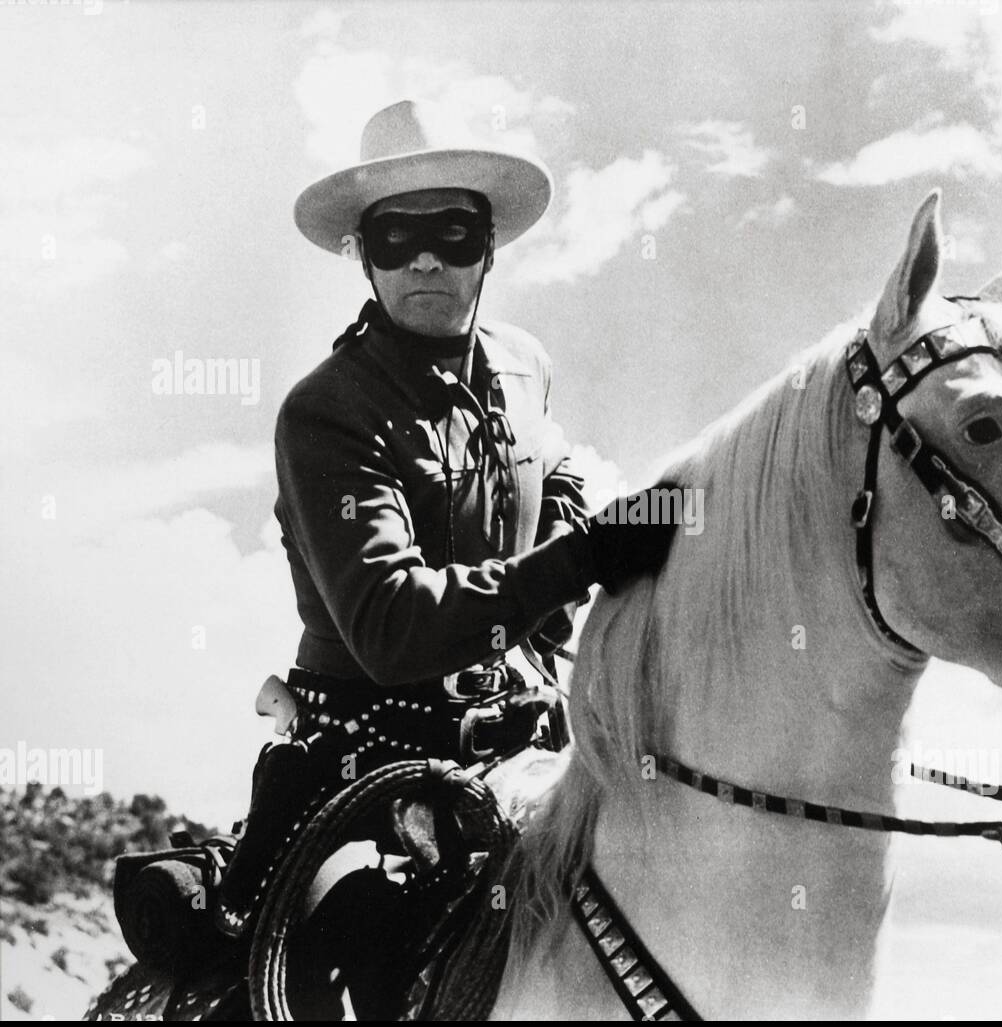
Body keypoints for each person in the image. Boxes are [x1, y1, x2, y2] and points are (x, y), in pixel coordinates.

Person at [214, 100, 678, 964]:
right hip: (369, 765)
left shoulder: (525, 364)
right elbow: (390, 624)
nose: (426, 256)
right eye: (396, 237)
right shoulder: (325, 413)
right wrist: (581, 560)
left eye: (453, 232)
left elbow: (557, 464)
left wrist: (580, 520)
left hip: (533, 742)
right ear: (363, 255)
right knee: (367, 963)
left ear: (488, 247)